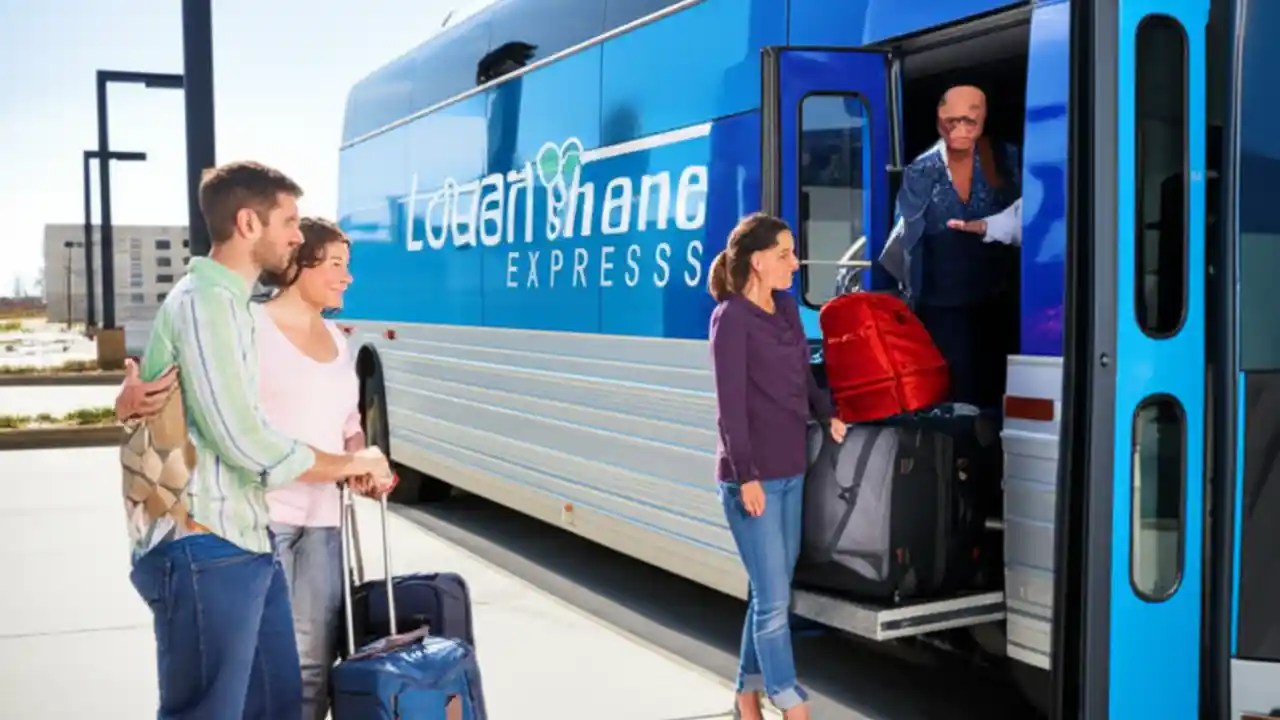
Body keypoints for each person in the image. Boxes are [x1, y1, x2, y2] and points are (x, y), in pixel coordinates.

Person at [114, 160, 395, 719]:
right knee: (212, 709)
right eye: (288, 221)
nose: (297, 234)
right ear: (248, 224)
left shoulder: (233, 307)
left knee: (278, 702)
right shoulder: (207, 305)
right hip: (202, 541)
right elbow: (244, 440)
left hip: (242, 539)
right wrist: (350, 462)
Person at [707, 212, 848, 720]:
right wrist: (745, 476)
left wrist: (825, 412)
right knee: (772, 600)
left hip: (792, 468)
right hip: (753, 478)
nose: (795, 261)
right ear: (759, 261)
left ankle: (747, 692)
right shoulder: (730, 319)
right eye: (786, 253)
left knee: (772, 592)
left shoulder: (787, 307)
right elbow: (731, 407)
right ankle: (787, 697)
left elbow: (802, 373)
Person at [255, 216, 381, 720]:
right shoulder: (250, 330)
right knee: (269, 663)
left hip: (324, 520)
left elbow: (347, 420)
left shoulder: (337, 338)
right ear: (297, 266)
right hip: (263, 520)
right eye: (334, 264)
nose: (346, 277)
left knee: (315, 665)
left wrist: (363, 459)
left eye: (347, 266)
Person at [875, 85, 1022, 408]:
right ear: (940, 121)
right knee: (954, 395)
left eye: (970, 120)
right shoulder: (921, 171)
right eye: (952, 121)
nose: (961, 129)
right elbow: (902, 242)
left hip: (1000, 303)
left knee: (1000, 389)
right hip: (941, 308)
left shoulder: (1006, 158)